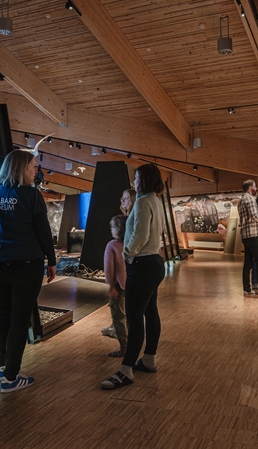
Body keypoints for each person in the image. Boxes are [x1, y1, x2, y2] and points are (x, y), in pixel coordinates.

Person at [0, 149, 57, 393]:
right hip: (25, 263)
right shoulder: (31, 196)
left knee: (2, 314)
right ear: (22, 168)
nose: (36, 170)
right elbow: (43, 232)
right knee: (19, 318)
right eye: (33, 166)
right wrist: (51, 260)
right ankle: (11, 378)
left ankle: (2, 367)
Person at [101, 164, 166, 389]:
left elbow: (140, 234)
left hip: (143, 263)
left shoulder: (142, 201)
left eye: (136, 178)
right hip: (155, 262)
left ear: (144, 179)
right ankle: (148, 359)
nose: (134, 182)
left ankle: (126, 370)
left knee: (134, 317)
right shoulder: (156, 201)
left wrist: (127, 255)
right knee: (151, 312)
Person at [102, 188, 138, 339]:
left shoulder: (133, 221)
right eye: (122, 198)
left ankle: (123, 335)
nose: (122, 201)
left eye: (126, 198)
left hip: (128, 274)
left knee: (122, 307)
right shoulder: (126, 219)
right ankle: (118, 328)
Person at [103, 215, 128, 357]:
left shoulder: (112, 245)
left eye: (113, 227)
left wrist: (111, 285)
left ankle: (124, 347)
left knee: (118, 316)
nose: (111, 230)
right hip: (132, 284)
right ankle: (134, 344)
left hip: (118, 285)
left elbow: (109, 268)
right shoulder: (132, 243)